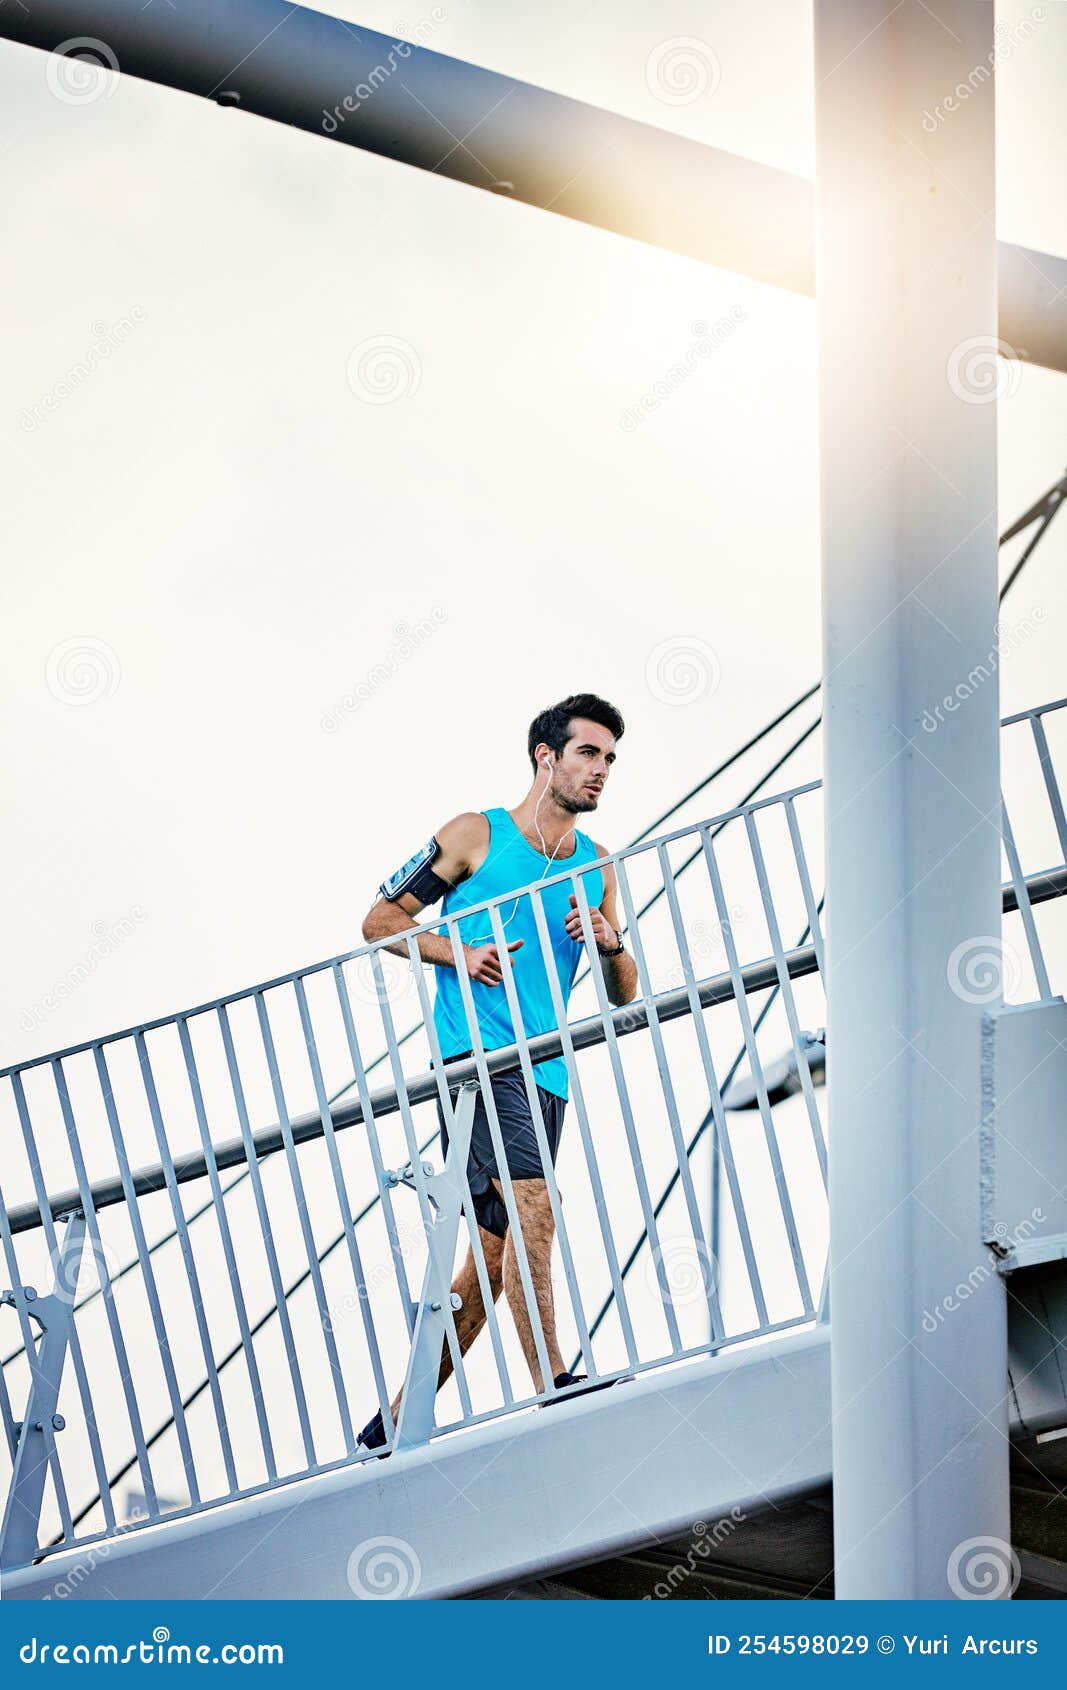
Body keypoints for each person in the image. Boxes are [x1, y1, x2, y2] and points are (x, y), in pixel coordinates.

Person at [356, 693, 638, 1452]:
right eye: (588, 753)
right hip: (478, 1061)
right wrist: (458, 951)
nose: (601, 770)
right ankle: (554, 1380)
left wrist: (610, 941)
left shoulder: (598, 866)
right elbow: (380, 922)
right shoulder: (474, 835)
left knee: (488, 1264)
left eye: (610, 758)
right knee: (535, 1204)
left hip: (548, 1073)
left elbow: (625, 992)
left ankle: (388, 1427)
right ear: (546, 757)